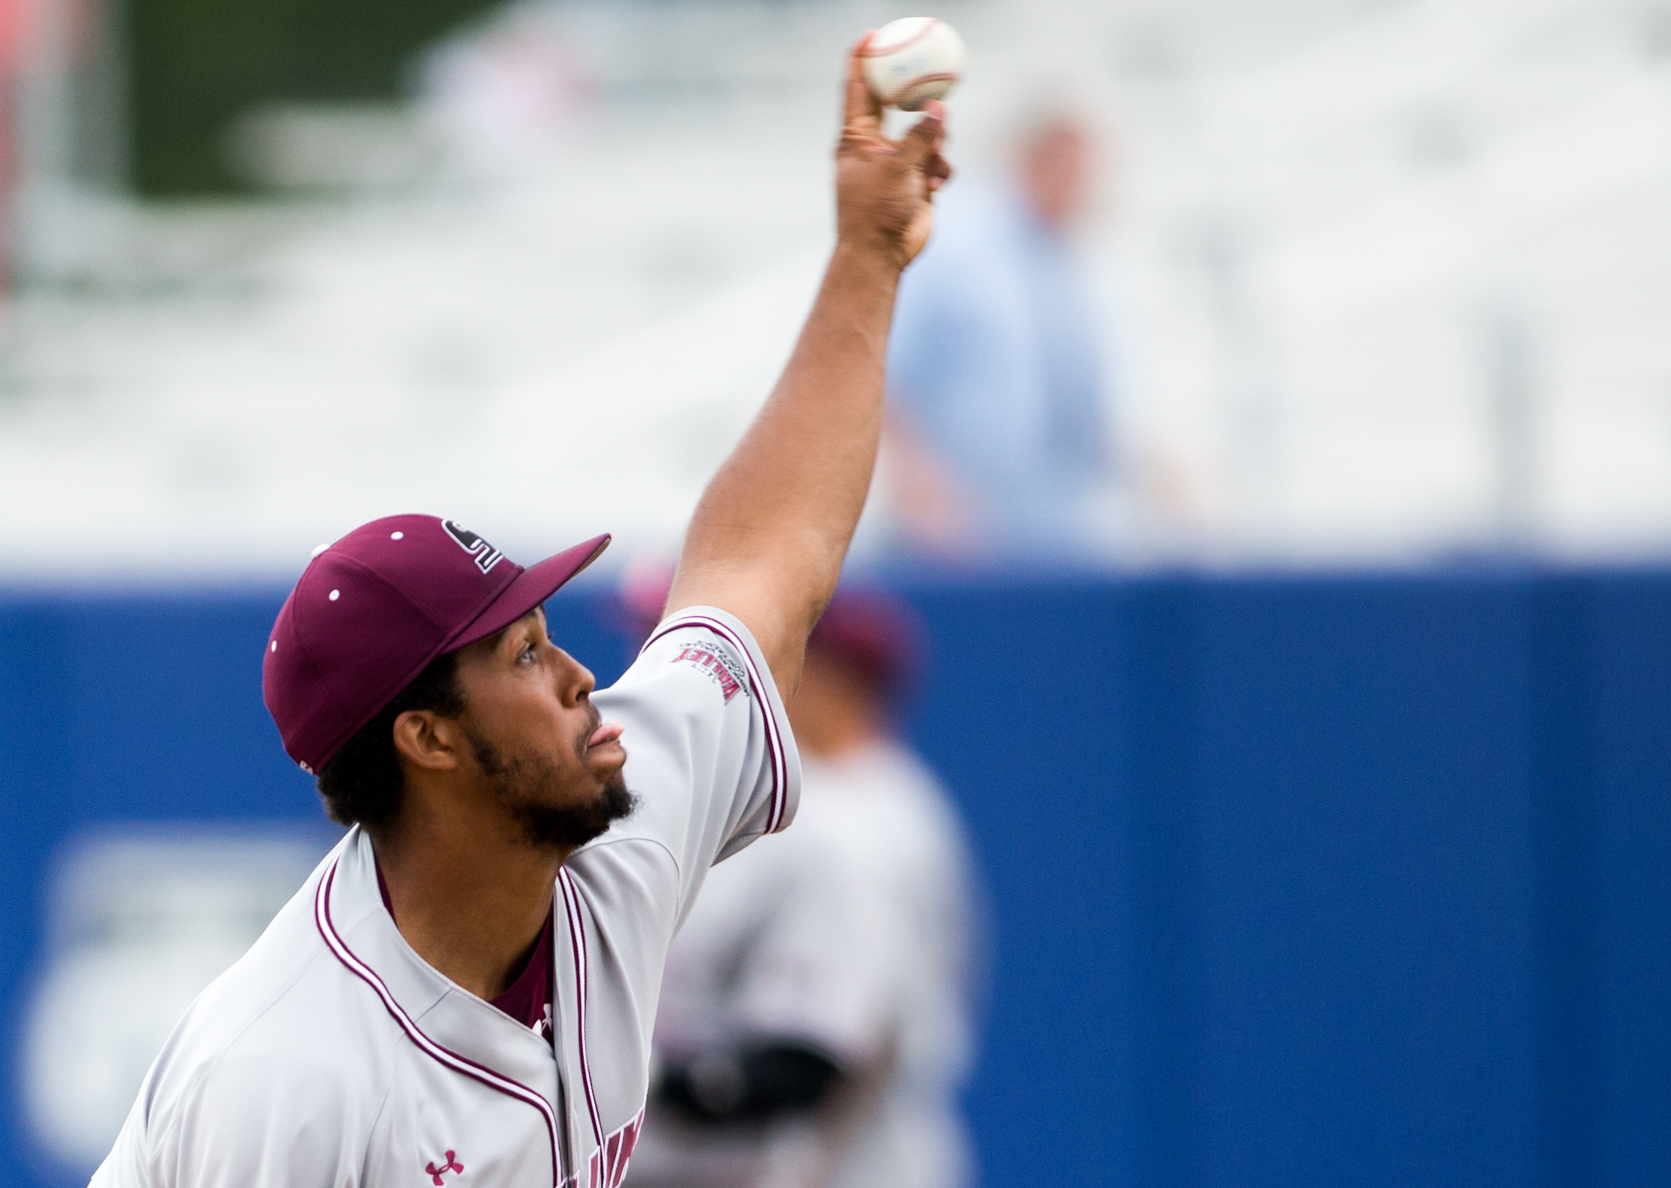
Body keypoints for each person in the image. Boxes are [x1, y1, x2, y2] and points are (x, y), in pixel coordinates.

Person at [89, 41, 950, 1188]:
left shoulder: (614, 823)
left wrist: (867, 255)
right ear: (428, 736)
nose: (582, 677)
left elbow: (761, 561)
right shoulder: (284, 1077)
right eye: (525, 654)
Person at [624, 590, 978, 1188]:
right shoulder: (852, 798)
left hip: (852, 1161)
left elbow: (844, 1050)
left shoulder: (861, 816)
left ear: (819, 670)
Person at [882, 110, 1109, 560]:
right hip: (955, 536)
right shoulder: (954, 251)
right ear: (1036, 163)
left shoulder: (1072, 268)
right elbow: (889, 377)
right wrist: (922, 487)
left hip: (1056, 532)